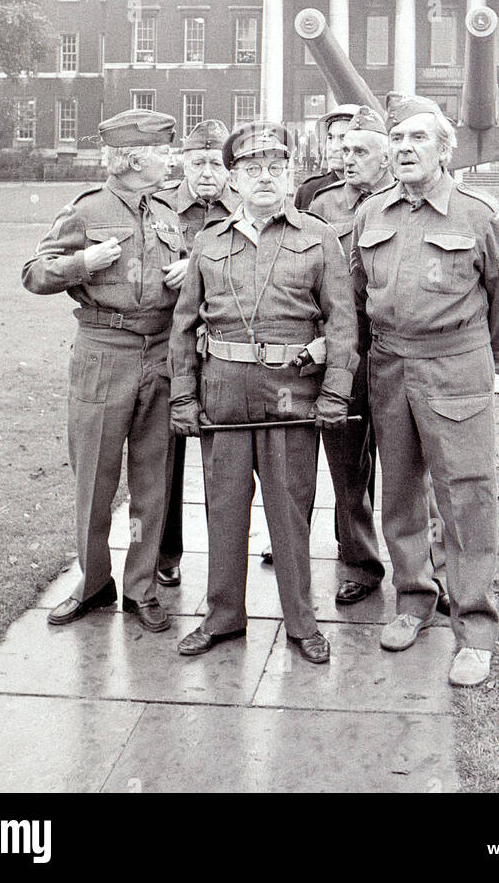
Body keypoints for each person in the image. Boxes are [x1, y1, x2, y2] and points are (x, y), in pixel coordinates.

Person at [350, 95, 499, 687]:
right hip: (390, 365)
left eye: (418, 138)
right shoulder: (371, 213)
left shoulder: (478, 214)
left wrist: (483, 347)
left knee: (465, 497)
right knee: (399, 490)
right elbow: (357, 289)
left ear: (444, 150)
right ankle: (413, 602)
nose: (403, 148)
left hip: (455, 366)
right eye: (396, 138)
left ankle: (474, 628)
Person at [168, 120, 358, 665]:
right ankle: (223, 617)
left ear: (289, 174)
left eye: (277, 168)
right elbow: (183, 328)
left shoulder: (317, 237)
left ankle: (301, 621)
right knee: (223, 511)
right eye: (253, 170)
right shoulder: (207, 241)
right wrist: (183, 397)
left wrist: (335, 395)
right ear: (235, 179)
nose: (266, 178)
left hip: (290, 399)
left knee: (291, 513)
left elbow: (343, 325)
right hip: (223, 397)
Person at [22, 109, 186, 633]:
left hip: (159, 352)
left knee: (152, 481)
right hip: (103, 350)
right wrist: (81, 264)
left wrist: (189, 272)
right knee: (95, 477)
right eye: (161, 151)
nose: (169, 158)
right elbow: (33, 273)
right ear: (134, 157)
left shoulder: (166, 209)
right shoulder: (85, 210)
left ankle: (141, 587)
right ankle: (94, 582)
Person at [309, 105, 390, 603]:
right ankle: (358, 564)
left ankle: (425, 572)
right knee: (347, 465)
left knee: (411, 470)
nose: (348, 158)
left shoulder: (403, 200)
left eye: (361, 150)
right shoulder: (322, 205)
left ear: (385, 157)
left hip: (398, 350)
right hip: (346, 351)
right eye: (344, 149)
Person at [154, 119, 239, 586]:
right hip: (170, 346)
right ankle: (166, 554)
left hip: (226, 351)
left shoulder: (245, 207)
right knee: (164, 457)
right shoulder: (161, 205)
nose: (207, 171)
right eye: (197, 161)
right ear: (183, 162)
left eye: (215, 162)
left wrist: (198, 266)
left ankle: (227, 564)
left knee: (225, 462)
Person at [293, 103, 359, 209]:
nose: (334, 147)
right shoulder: (309, 191)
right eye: (330, 138)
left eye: (343, 138)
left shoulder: (374, 192)